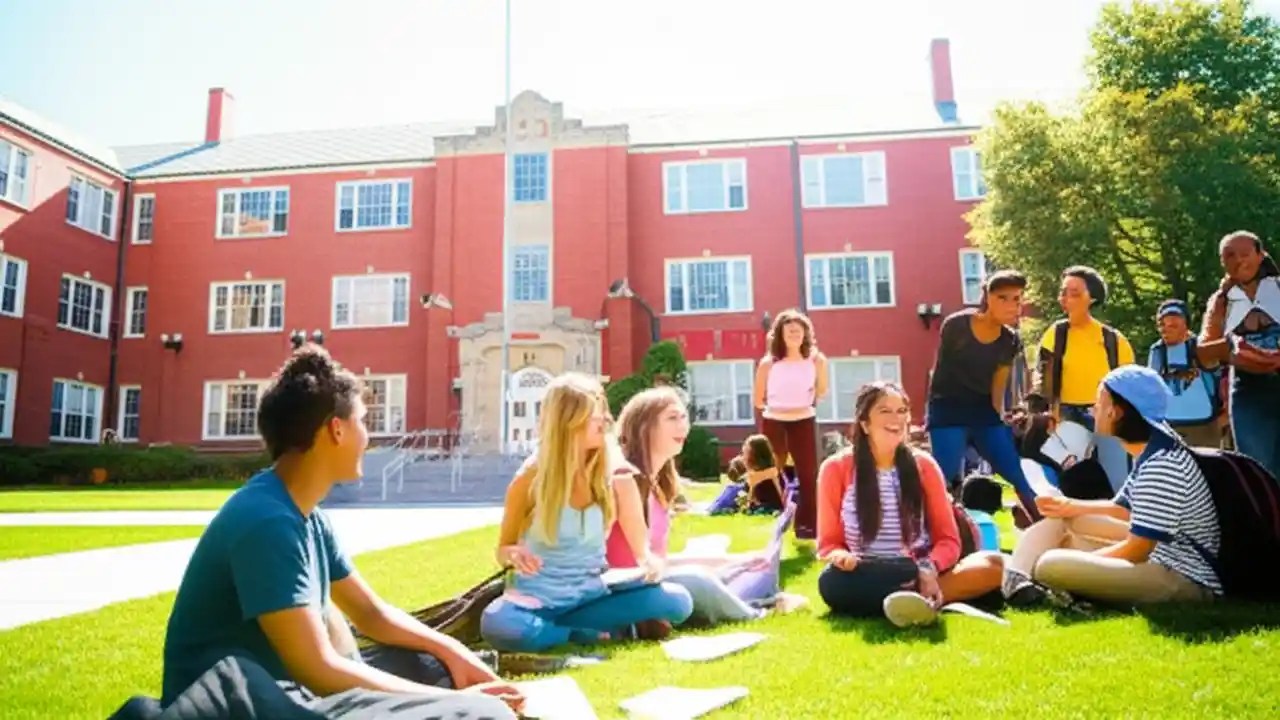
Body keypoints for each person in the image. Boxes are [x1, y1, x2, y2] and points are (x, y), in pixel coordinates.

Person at [158, 345, 522, 719]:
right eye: (363, 421)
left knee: (437, 669)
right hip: (243, 707)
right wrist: (451, 703)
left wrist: (451, 650)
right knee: (482, 714)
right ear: (336, 429)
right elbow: (317, 669)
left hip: (292, 692)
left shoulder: (307, 516)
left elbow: (372, 615)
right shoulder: (266, 521)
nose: (369, 435)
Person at [479, 373, 693, 653]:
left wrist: (648, 561)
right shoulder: (531, 479)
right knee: (498, 624)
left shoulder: (609, 471)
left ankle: (571, 631)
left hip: (591, 595)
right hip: (538, 601)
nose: (605, 422)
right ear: (570, 422)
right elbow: (503, 548)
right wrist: (513, 554)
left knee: (678, 601)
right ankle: (572, 634)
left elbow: (639, 542)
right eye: (596, 416)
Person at [1002, 365, 1221, 607]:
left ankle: (1043, 580)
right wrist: (1068, 506)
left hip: (1180, 576)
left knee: (1051, 564)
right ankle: (1017, 581)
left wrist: (1085, 564)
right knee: (1062, 520)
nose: (1093, 410)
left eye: (1098, 402)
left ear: (1115, 412)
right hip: (1160, 555)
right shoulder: (1154, 449)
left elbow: (1138, 549)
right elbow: (1122, 509)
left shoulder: (1161, 465)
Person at [606, 387, 808, 625]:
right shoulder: (627, 479)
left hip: (654, 577)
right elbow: (640, 563)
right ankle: (758, 612)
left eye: (684, 417)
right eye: (672, 418)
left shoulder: (659, 485)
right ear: (644, 426)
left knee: (725, 568)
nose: (683, 425)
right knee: (699, 580)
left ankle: (750, 593)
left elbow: (661, 559)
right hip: (630, 586)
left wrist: (739, 560)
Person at [816, 382, 1005, 628]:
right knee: (831, 583)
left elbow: (948, 540)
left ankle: (915, 599)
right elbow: (828, 543)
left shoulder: (924, 466)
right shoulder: (836, 468)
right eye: (885, 411)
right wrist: (841, 556)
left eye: (902, 410)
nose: (896, 419)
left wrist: (928, 569)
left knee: (993, 565)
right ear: (864, 424)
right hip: (867, 571)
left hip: (919, 569)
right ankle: (921, 601)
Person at [926, 270, 1039, 519]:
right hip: (948, 410)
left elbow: (998, 385)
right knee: (941, 477)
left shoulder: (1010, 340)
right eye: (1004, 298)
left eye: (1017, 299)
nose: (1012, 306)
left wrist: (1000, 416)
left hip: (984, 413)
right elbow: (942, 372)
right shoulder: (956, 325)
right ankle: (924, 536)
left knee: (1017, 474)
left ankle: (1045, 529)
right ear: (987, 297)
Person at [1034, 265, 1136, 492]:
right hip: (1067, 416)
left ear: (1093, 298)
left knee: (1116, 481)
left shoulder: (1113, 339)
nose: (1066, 298)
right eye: (1063, 292)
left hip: (1107, 416)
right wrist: (1044, 411)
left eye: (1075, 293)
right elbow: (1042, 375)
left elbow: (1130, 385)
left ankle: (1119, 525)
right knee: (1064, 482)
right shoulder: (1056, 334)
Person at [1197, 230, 1280, 478]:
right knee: (1258, 468)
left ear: (1261, 255)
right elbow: (1203, 353)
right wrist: (1233, 351)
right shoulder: (1221, 301)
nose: (1239, 261)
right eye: (1229, 256)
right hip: (1248, 390)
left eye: (1245, 254)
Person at [754, 309, 828, 539]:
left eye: (799, 330)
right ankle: (771, 518)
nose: (795, 334)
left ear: (806, 334)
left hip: (803, 420)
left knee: (808, 474)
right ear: (780, 335)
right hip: (774, 421)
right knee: (769, 471)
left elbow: (822, 390)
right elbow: (758, 398)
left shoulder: (816, 360)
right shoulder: (768, 364)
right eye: (789, 330)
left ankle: (808, 528)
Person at [1147, 299, 1224, 448]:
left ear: (1186, 325)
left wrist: (1224, 417)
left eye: (1173, 325)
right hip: (1169, 426)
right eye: (1162, 325)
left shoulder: (1202, 347)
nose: (1166, 330)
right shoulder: (1157, 351)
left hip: (1205, 426)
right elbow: (1151, 388)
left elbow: (1222, 379)